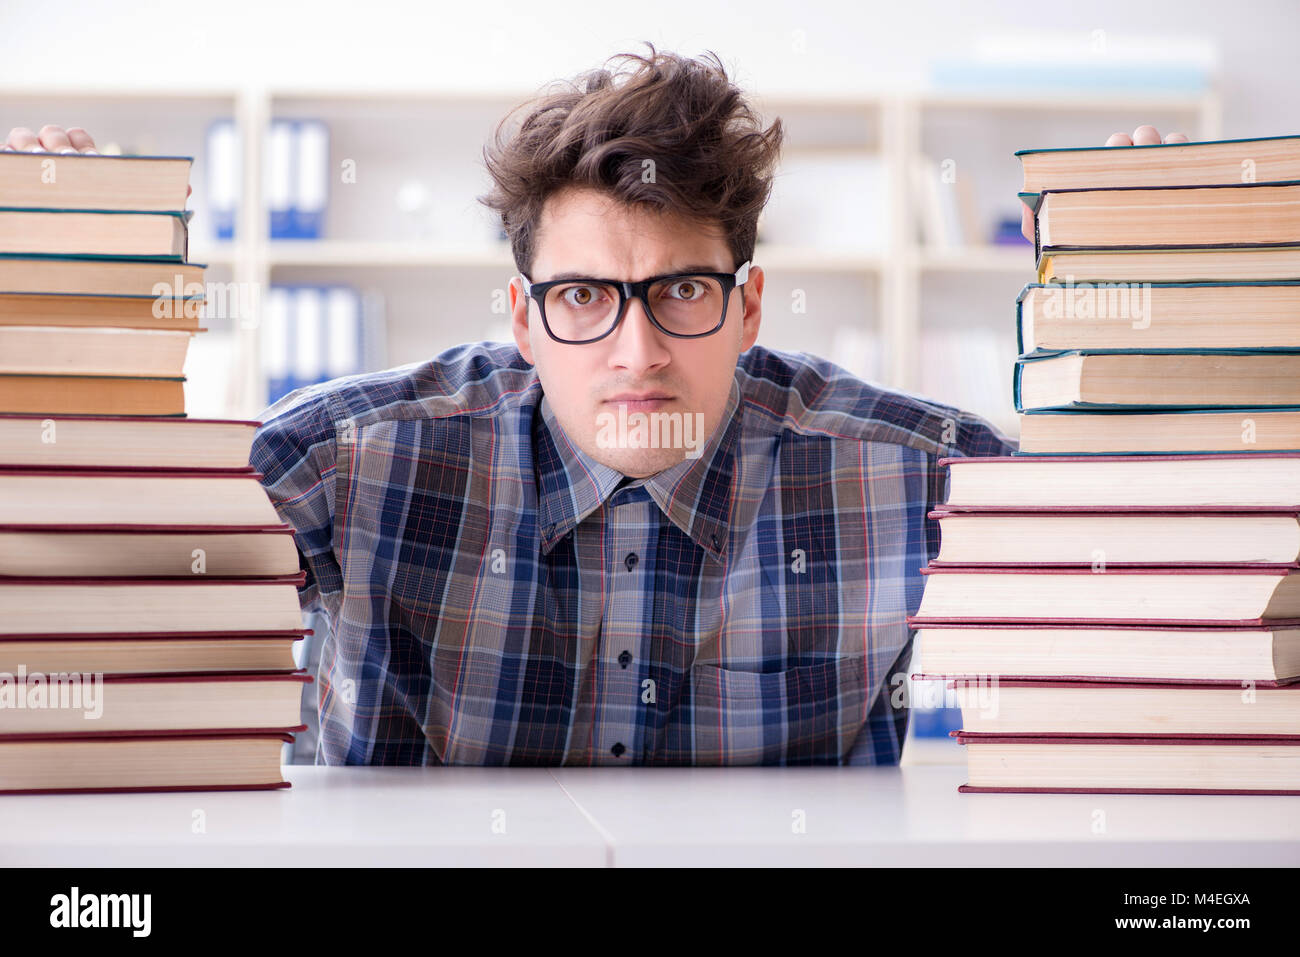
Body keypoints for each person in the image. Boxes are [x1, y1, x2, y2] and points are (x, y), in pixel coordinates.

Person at [7, 44, 1186, 766]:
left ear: (748, 303)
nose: (635, 350)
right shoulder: (345, 458)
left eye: (680, 290)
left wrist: (1159, 299)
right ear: (522, 318)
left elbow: (1156, 573)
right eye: (580, 295)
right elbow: (85, 570)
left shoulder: (904, 467)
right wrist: (56, 285)